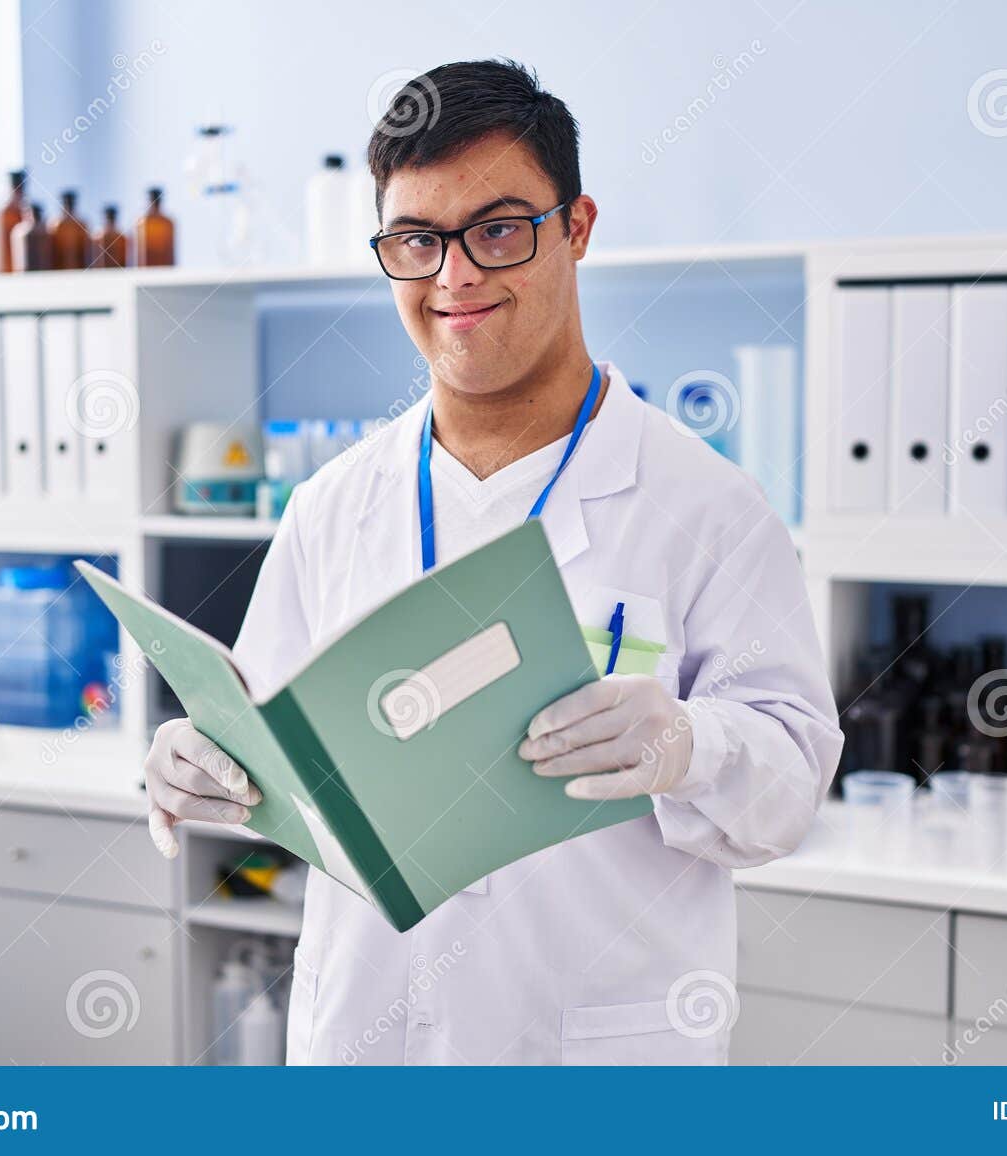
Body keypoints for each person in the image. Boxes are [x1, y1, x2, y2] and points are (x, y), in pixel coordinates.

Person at [142, 59, 842, 1065]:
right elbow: (267, 754)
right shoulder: (332, 506)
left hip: (588, 1057)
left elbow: (790, 789)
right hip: (365, 1045)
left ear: (577, 228)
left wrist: (692, 741)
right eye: (415, 241)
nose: (453, 277)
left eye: (499, 230)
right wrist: (193, 767)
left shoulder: (709, 508)